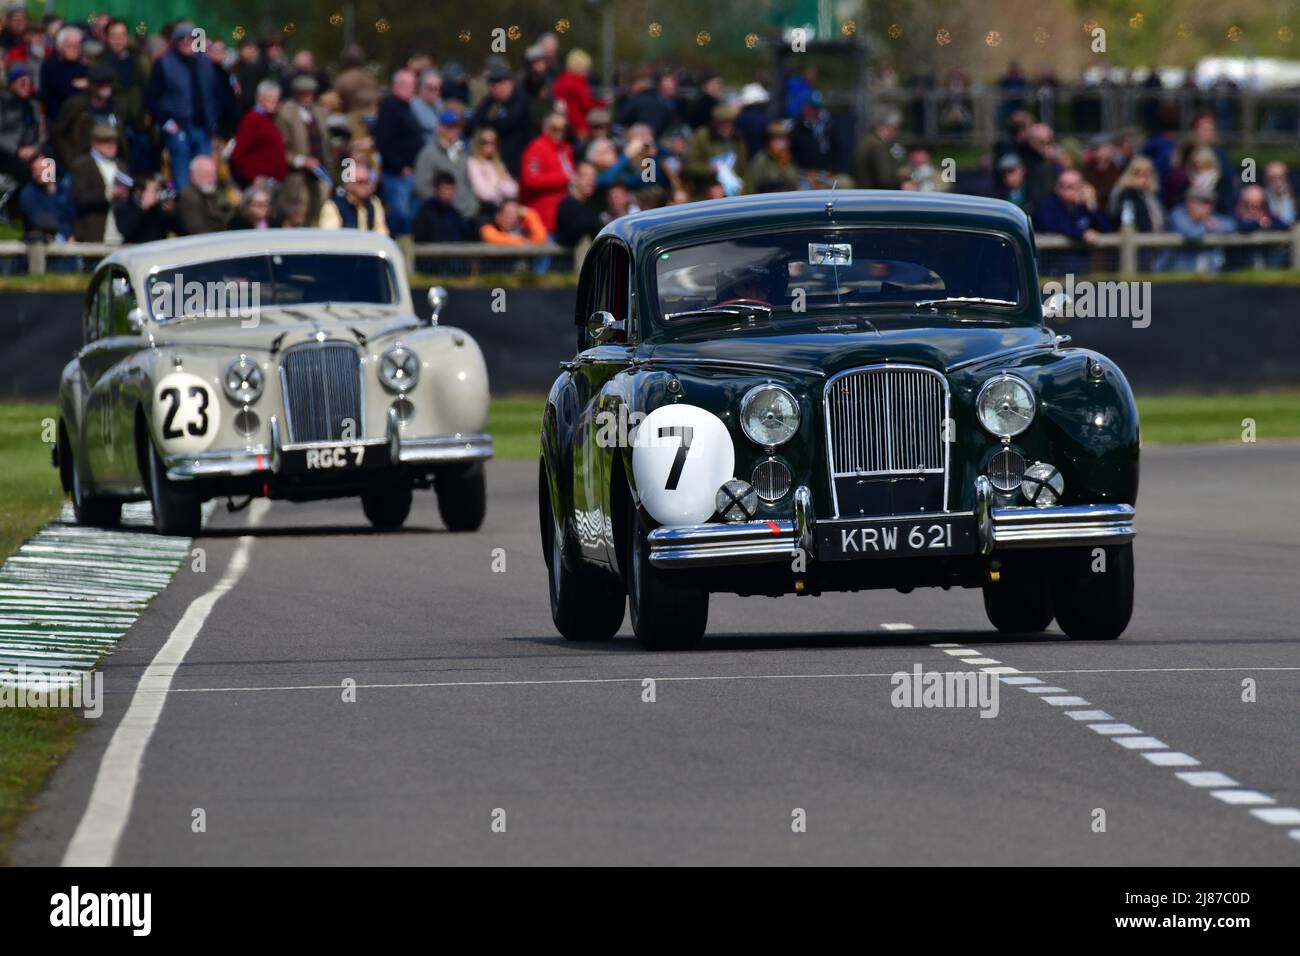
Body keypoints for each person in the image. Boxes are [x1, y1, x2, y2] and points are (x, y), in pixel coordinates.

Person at [145, 22, 220, 192]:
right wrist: (167, 123)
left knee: (205, 177)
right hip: (179, 129)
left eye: (191, 38)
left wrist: (214, 121)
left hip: (203, 129)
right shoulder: (164, 64)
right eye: (182, 39)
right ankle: (184, 212)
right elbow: (151, 98)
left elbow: (215, 95)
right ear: (175, 42)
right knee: (182, 179)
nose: (187, 42)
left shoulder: (205, 64)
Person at [276, 73, 334, 223]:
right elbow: (281, 149)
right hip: (298, 177)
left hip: (320, 174)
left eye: (310, 94)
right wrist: (301, 161)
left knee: (319, 215)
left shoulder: (319, 113)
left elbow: (327, 143)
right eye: (303, 94)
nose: (307, 98)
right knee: (298, 216)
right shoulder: (286, 115)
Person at [374, 68, 425, 234]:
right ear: (398, 86)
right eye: (409, 85)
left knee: (410, 216)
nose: (413, 89)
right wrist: (399, 166)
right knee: (399, 215)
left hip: (410, 172)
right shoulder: (390, 108)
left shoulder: (407, 107)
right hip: (396, 174)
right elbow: (384, 143)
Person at [413, 107, 479, 222]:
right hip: (443, 215)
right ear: (440, 128)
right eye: (449, 127)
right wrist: (440, 206)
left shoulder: (463, 152)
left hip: (468, 212)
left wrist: (473, 205)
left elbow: (470, 183)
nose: (454, 130)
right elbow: (422, 186)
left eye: (457, 126)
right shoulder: (429, 153)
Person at [468, 63, 530, 177]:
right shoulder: (491, 101)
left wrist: (490, 120)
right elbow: (473, 122)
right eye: (492, 84)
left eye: (499, 84)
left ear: (510, 83)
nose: (495, 88)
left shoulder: (519, 101)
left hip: (513, 161)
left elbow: (506, 124)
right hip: (491, 158)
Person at [518, 112, 575, 237]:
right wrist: (563, 178)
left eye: (563, 129)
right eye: (555, 128)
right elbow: (530, 179)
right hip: (542, 221)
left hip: (562, 219)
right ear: (545, 128)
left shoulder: (566, 149)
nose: (559, 132)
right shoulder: (536, 149)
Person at [70, 124, 127, 243]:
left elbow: (130, 186)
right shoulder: (82, 164)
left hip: (120, 232)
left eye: (114, 141)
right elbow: (79, 197)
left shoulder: (121, 165)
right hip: (93, 232)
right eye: (105, 141)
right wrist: (108, 195)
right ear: (94, 143)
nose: (111, 145)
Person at [230, 80, 287, 187]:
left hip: (275, 183)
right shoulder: (252, 120)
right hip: (261, 185)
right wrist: (254, 177)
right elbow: (237, 155)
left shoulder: (271, 119)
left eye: (276, 98)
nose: (273, 101)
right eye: (269, 97)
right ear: (259, 98)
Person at [684, 103, 747, 198]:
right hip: (706, 193)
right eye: (722, 123)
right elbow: (689, 166)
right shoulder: (702, 136)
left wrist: (743, 188)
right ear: (714, 123)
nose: (726, 127)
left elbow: (743, 168)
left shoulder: (737, 139)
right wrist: (710, 169)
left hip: (734, 193)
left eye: (729, 123)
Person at [1168, 186, 1235, 273]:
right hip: (1179, 272)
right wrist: (1206, 226)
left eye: (1209, 203)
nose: (1207, 207)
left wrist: (1210, 225)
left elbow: (1231, 225)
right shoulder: (1178, 214)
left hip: (1210, 273)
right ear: (1189, 202)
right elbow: (1192, 234)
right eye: (1202, 202)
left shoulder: (1212, 217)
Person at [1034, 169, 1110, 241]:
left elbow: (1106, 229)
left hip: (1083, 254)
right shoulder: (1048, 204)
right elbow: (1053, 226)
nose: (1066, 190)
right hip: (1054, 253)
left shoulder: (1085, 206)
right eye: (1062, 185)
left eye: (1071, 187)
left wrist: (1092, 205)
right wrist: (1082, 234)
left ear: (1082, 187)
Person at [318, 160, 387, 233]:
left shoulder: (374, 203)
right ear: (349, 184)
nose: (365, 187)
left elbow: (381, 233)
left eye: (367, 182)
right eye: (360, 182)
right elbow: (330, 237)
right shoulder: (333, 206)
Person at [550, 49, 605, 141]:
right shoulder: (577, 82)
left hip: (565, 123)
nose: (588, 71)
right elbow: (587, 104)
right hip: (579, 126)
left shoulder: (560, 80)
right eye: (586, 67)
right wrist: (603, 104)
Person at [0, 65, 41, 186]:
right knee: (23, 171)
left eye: (29, 82)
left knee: (48, 164)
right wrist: (17, 150)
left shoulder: (33, 104)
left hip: (30, 152)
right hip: (7, 154)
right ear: (11, 84)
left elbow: (40, 132)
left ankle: (51, 197)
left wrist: (35, 148)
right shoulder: (3, 103)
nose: (26, 86)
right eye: (22, 82)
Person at [18, 153, 75, 241]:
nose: (38, 173)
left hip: (68, 238)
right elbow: (40, 220)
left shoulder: (65, 190)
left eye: (42, 169)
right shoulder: (28, 193)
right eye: (34, 170)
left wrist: (71, 234)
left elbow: (73, 216)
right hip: (41, 242)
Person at [39, 25, 87, 124]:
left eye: (78, 45)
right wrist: (77, 85)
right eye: (70, 45)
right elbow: (61, 90)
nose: (75, 49)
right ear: (59, 46)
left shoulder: (83, 63)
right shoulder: (50, 65)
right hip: (57, 118)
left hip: (80, 118)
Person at [554, 161, 604, 248]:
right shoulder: (567, 206)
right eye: (585, 176)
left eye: (593, 176)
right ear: (575, 178)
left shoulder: (592, 205)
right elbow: (572, 237)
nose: (590, 180)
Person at [851, 106, 903, 189]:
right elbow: (885, 179)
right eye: (895, 129)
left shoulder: (866, 140)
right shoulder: (877, 146)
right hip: (874, 196)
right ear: (884, 127)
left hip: (864, 193)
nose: (896, 133)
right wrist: (902, 179)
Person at [466, 126, 518, 208]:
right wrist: (501, 186)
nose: (490, 146)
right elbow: (485, 195)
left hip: (500, 209)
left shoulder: (499, 164)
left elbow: (514, 190)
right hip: (484, 211)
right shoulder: (473, 163)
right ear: (478, 144)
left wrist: (496, 187)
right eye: (485, 142)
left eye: (493, 142)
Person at [176, 155, 229, 234]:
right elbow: (197, 229)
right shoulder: (189, 197)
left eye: (213, 175)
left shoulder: (209, 192)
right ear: (193, 175)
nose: (212, 179)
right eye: (207, 175)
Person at [411, 171, 469, 242]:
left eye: (450, 189)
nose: (447, 193)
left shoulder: (455, 215)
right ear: (436, 190)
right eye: (445, 189)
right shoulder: (425, 212)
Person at [746, 120, 799, 193]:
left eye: (784, 139)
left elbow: (796, 184)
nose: (781, 144)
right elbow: (751, 187)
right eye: (777, 140)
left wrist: (784, 164)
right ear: (769, 141)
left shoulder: (790, 159)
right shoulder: (760, 160)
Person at [479, 198, 547, 244]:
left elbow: (541, 238)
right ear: (498, 215)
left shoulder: (522, 231)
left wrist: (529, 214)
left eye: (513, 215)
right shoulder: (490, 226)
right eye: (506, 214)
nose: (509, 219)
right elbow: (489, 236)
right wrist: (521, 241)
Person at [409, 68, 443, 141]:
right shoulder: (413, 104)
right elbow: (433, 126)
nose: (433, 92)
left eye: (436, 89)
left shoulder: (438, 103)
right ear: (421, 88)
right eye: (430, 88)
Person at [1263, 161, 1295, 228]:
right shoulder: (1261, 198)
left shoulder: (1295, 196)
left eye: (1280, 177)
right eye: (1272, 178)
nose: (1277, 181)